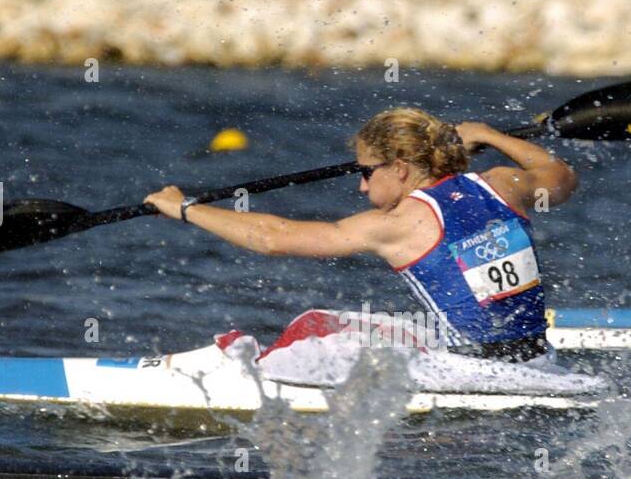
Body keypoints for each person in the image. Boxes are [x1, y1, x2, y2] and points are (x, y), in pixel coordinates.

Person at [145, 108, 577, 363]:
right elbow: (561, 175)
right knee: (341, 327)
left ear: (401, 169)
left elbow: (273, 237)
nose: (362, 187)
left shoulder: (400, 223)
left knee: (308, 332)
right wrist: (488, 135)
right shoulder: (503, 184)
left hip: (479, 372)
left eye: (367, 172)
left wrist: (186, 209)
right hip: (539, 358)